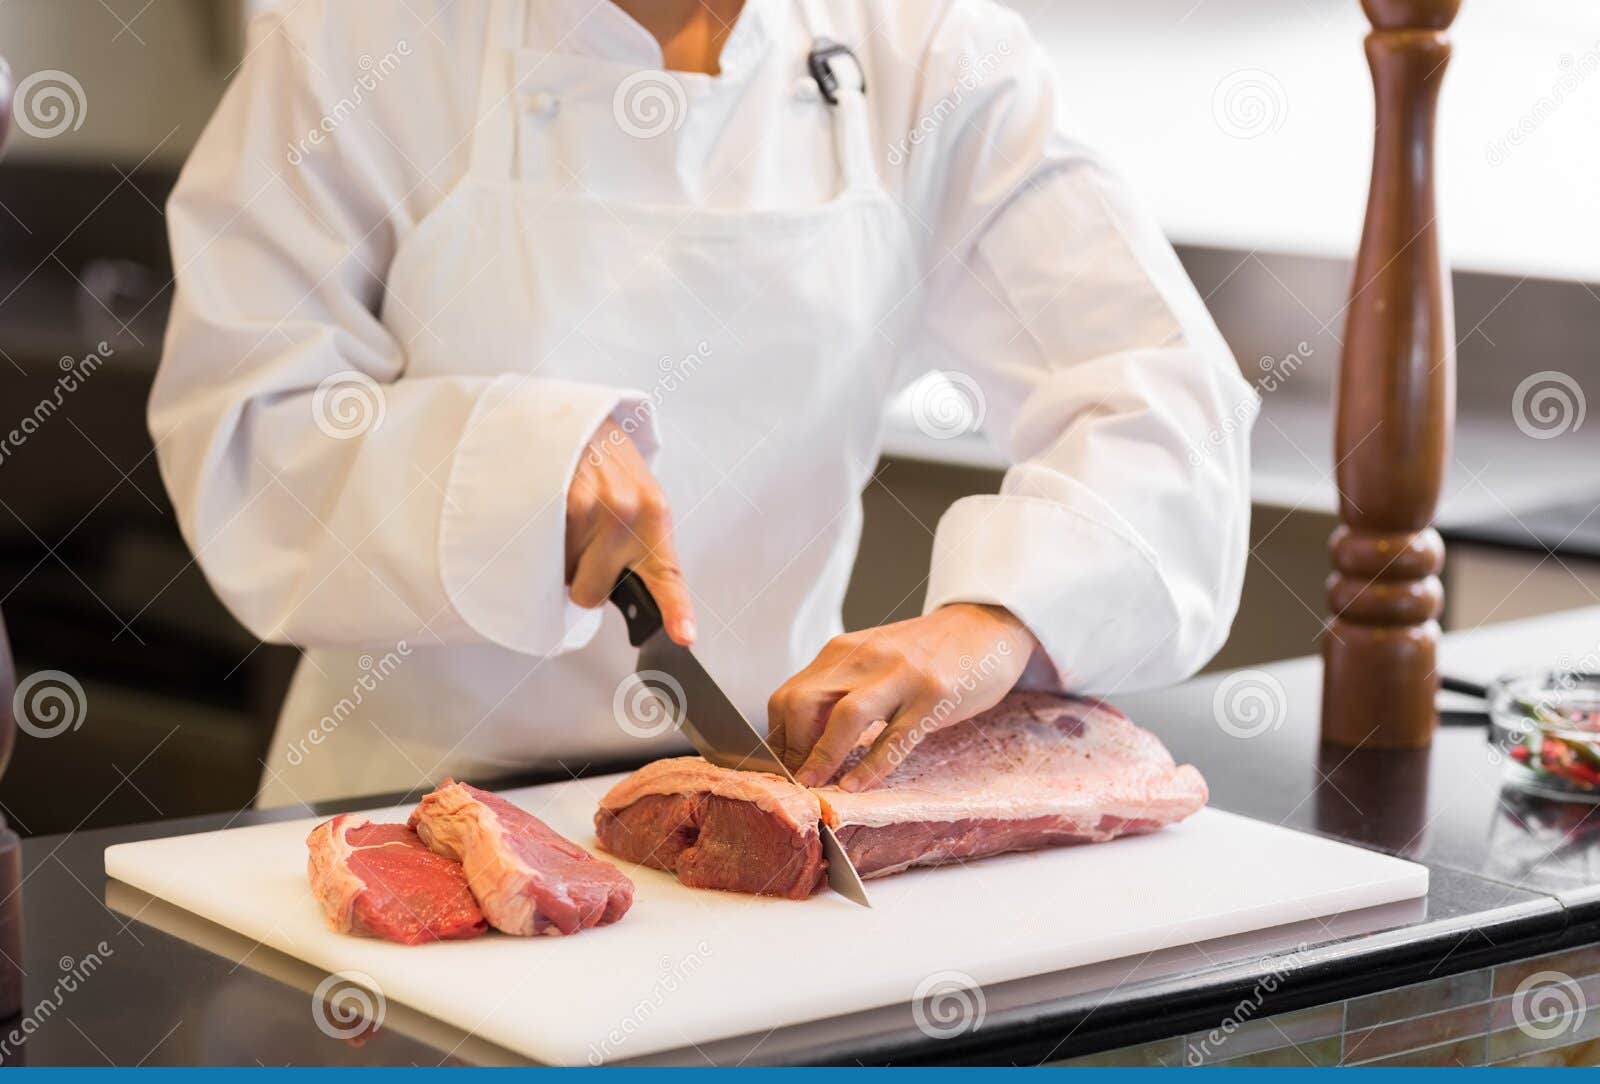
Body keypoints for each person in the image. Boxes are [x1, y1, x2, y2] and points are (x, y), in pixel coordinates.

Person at [149, 0, 1253, 808]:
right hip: (401, 806)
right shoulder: (356, 37)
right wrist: (523, 472)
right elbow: (248, 429)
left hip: (765, 801)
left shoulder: (928, 50)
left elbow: (1161, 385)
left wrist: (999, 617)